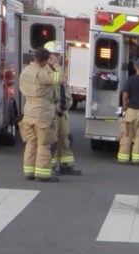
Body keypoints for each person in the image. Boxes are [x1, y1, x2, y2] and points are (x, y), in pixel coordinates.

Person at [19, 47, 60, 182]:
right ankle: (42, 174)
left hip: (28, 111)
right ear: (45, 61)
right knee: (44, 143)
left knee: (31, 142)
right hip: (42, 112)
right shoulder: (41, 73)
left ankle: (29, 171)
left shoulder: (25, 71)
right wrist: (55, 64)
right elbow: (60, 79)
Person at [44, 41, 81, 175]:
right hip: (53, 112)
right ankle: (51, 167)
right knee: (52, 141)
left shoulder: (59, 70)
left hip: (62, 112)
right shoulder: (46, 71)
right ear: (48, 56)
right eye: (55, 54)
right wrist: (54, 105)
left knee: (66, 139)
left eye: (58, 54)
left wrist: (68, 102)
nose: (57, 57)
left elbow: (64, 90)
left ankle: (66, 166)